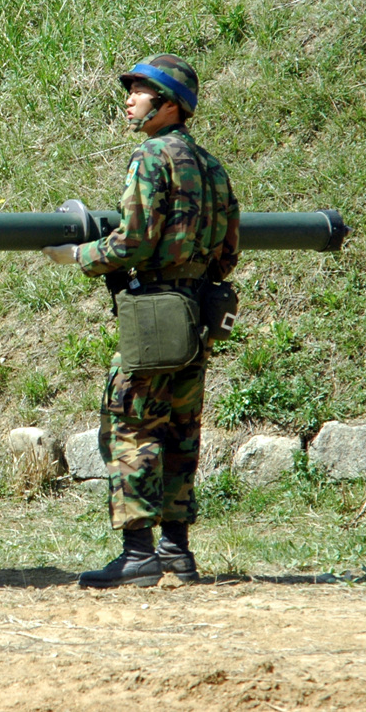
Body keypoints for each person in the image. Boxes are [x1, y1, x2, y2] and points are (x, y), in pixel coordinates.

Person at [44, 54, 240, 589]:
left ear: (168, 104)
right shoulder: (211, 165)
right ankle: (177, 552)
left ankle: (137, 555)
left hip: (153, 312)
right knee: (181, 430)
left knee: (130, 423)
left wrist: (79, 255)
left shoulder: (151, 157)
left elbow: (133, 240)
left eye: (140, 91)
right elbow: (228, 251)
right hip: (197, 314)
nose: (129, 99)